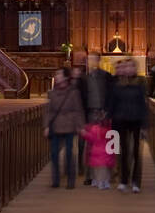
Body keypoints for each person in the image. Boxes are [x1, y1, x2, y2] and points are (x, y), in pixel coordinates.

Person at [110, 57, 148, 193]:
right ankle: (124, 180)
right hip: (121, 121)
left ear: (135, 68)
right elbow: (113, 104)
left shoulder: (140, 84)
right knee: (124, 152)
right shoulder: (118, 85)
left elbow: (143, 105)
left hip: (136, 120)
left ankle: (136, 181)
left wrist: (145, 126)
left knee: (136, 152)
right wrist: (112, 121)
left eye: (131, 66)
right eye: (126, 67)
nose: (128, 69)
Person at [44, 67, 86, 189]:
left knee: (69, 154)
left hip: (69, 126)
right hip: (55, 125)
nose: (56, 76)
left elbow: (78, 110)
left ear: (65, 77)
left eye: (59, 74)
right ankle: (55, 180)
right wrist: (46, 126)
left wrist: (80, 126)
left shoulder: (73, 92)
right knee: (54, 154)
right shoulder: (52, 93)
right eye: (56, 74)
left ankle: (70, 181)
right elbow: (49, 111)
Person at [78, 52, 114, 184]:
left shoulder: (107, 76)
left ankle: (110, 174)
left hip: (105, 114)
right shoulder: (84, 79)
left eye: (93, 59)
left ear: (99, 61)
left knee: (110, 144)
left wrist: (107, 111)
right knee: (90, 145)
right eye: (89, 60)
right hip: (90, 114)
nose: (91, 62)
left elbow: (111, 95)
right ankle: (89, 175)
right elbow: (81, 98)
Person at [82, 119, 114, 189]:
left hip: (97, 152)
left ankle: (100, 182)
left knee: (99, 169)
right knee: (106, 169)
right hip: (107, 152)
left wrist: (85, 134)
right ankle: (105, 182)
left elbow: (91, 138)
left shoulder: (95, 129)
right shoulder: (111, 129)